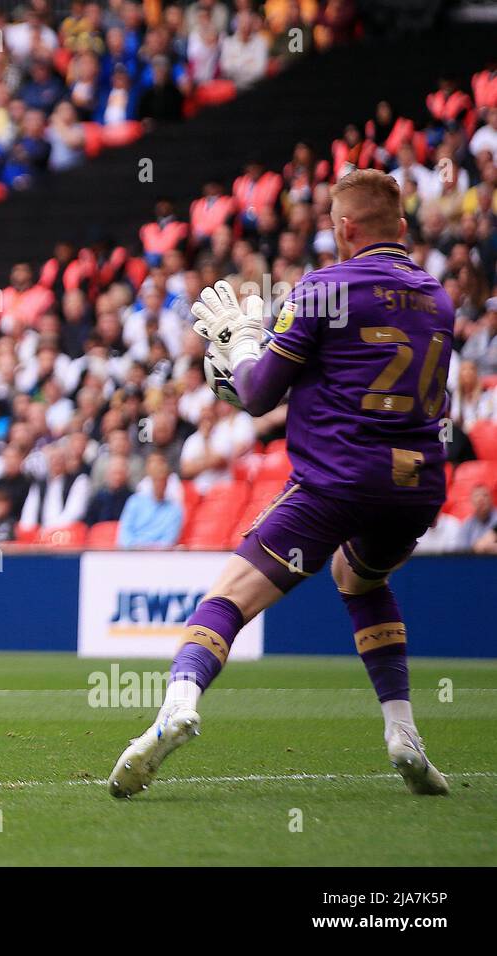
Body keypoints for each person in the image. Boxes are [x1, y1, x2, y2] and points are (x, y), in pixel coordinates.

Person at [110, 170, 454, 799]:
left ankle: (176, 708)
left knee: (226, 599)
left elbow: (260, 394)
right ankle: (403, 733)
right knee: (360, 578)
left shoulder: (324, 288)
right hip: (417, 484)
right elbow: (353, 373)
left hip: (339, 479)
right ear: (400, 228)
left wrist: (242, 347)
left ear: (343, 228)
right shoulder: (438, 296)